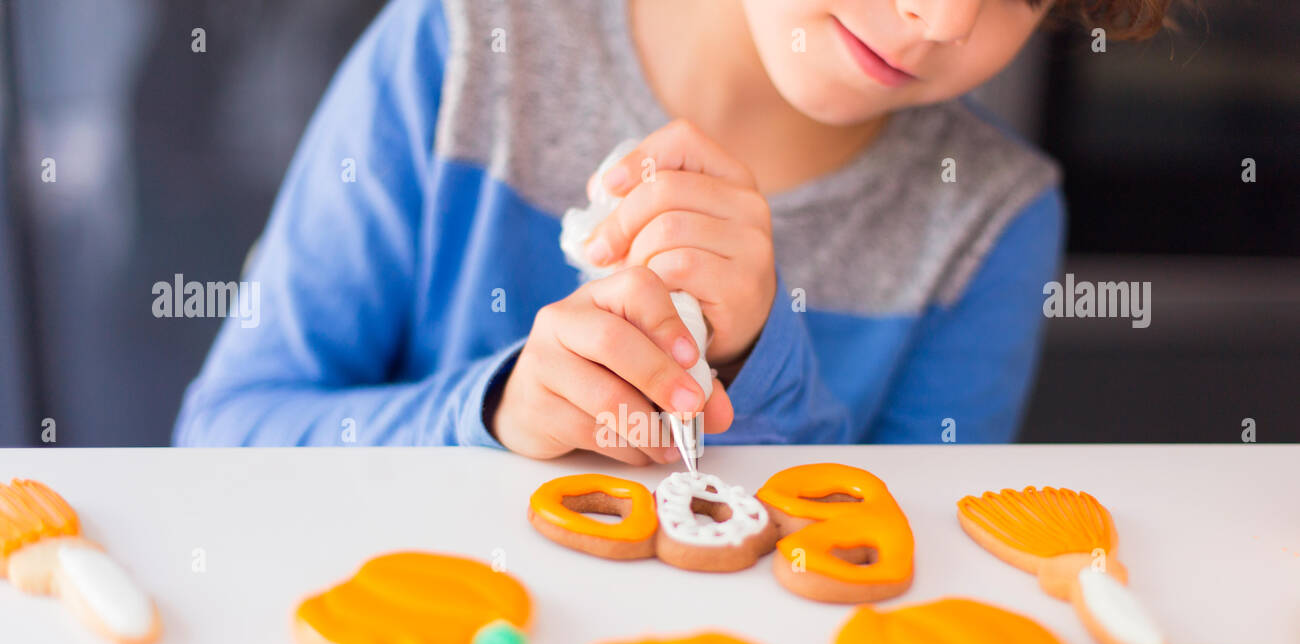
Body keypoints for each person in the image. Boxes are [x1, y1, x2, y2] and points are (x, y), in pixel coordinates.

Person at [174, 0, 1172, 459]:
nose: (947, 18)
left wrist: (754, 363)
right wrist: (488, 417)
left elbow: (912, 579)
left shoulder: (990, 220)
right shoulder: (461, 51)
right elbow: (225, 438)